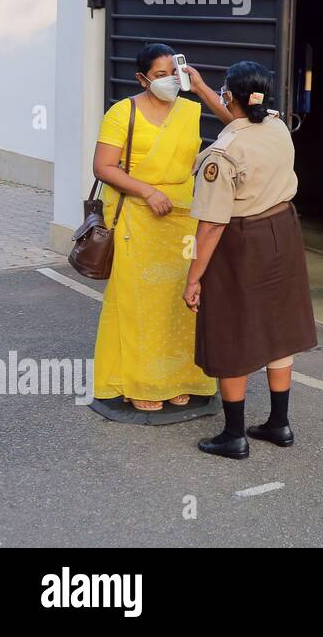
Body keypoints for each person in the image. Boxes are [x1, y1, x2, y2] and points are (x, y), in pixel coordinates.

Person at [183, 61, 318, 459]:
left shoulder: (221, 155)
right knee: (278, 326)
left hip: (241, 241)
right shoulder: (275, 126)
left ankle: (234, 435)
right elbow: (239, 119)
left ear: (231, 96)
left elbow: (209, 228)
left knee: (231, 330)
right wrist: (204, 88)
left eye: (223, 92)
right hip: (283, 231)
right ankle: (279, 424)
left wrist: (193, 279)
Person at [90, 43, 219, 412]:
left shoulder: (190, 110)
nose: (168, 81)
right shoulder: (122, 112)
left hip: (183, 220)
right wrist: (148, 191)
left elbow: (234, 122)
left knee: (179, 301)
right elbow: (103, 167)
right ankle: (139, 383)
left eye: (172, 73)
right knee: (137, 302)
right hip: (137, 217)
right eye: (160, 75)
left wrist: (201, 87)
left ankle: (181, 379)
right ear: (142, 79)